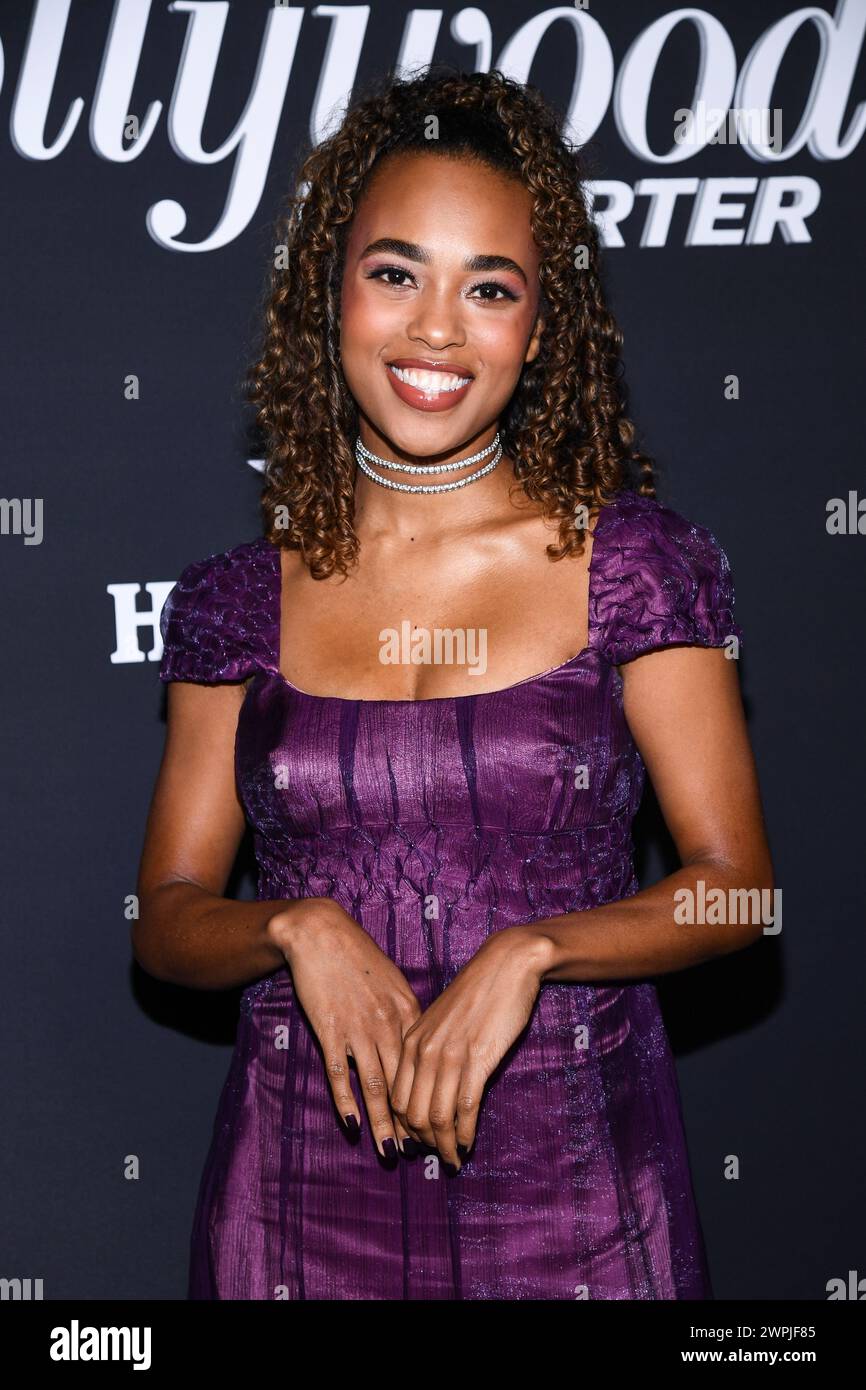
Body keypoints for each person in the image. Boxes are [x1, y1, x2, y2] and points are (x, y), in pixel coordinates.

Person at [134, 68, 773, 1301]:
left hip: (576, 1203)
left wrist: (531, 950)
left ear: (539, 331)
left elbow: (735, 891)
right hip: (292, 1207)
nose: (436, 328)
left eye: (488, 289)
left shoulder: (632, 566)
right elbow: (163, 917)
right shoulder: (233, 600)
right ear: (332, 297)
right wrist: (292, 924)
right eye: (394, 272)